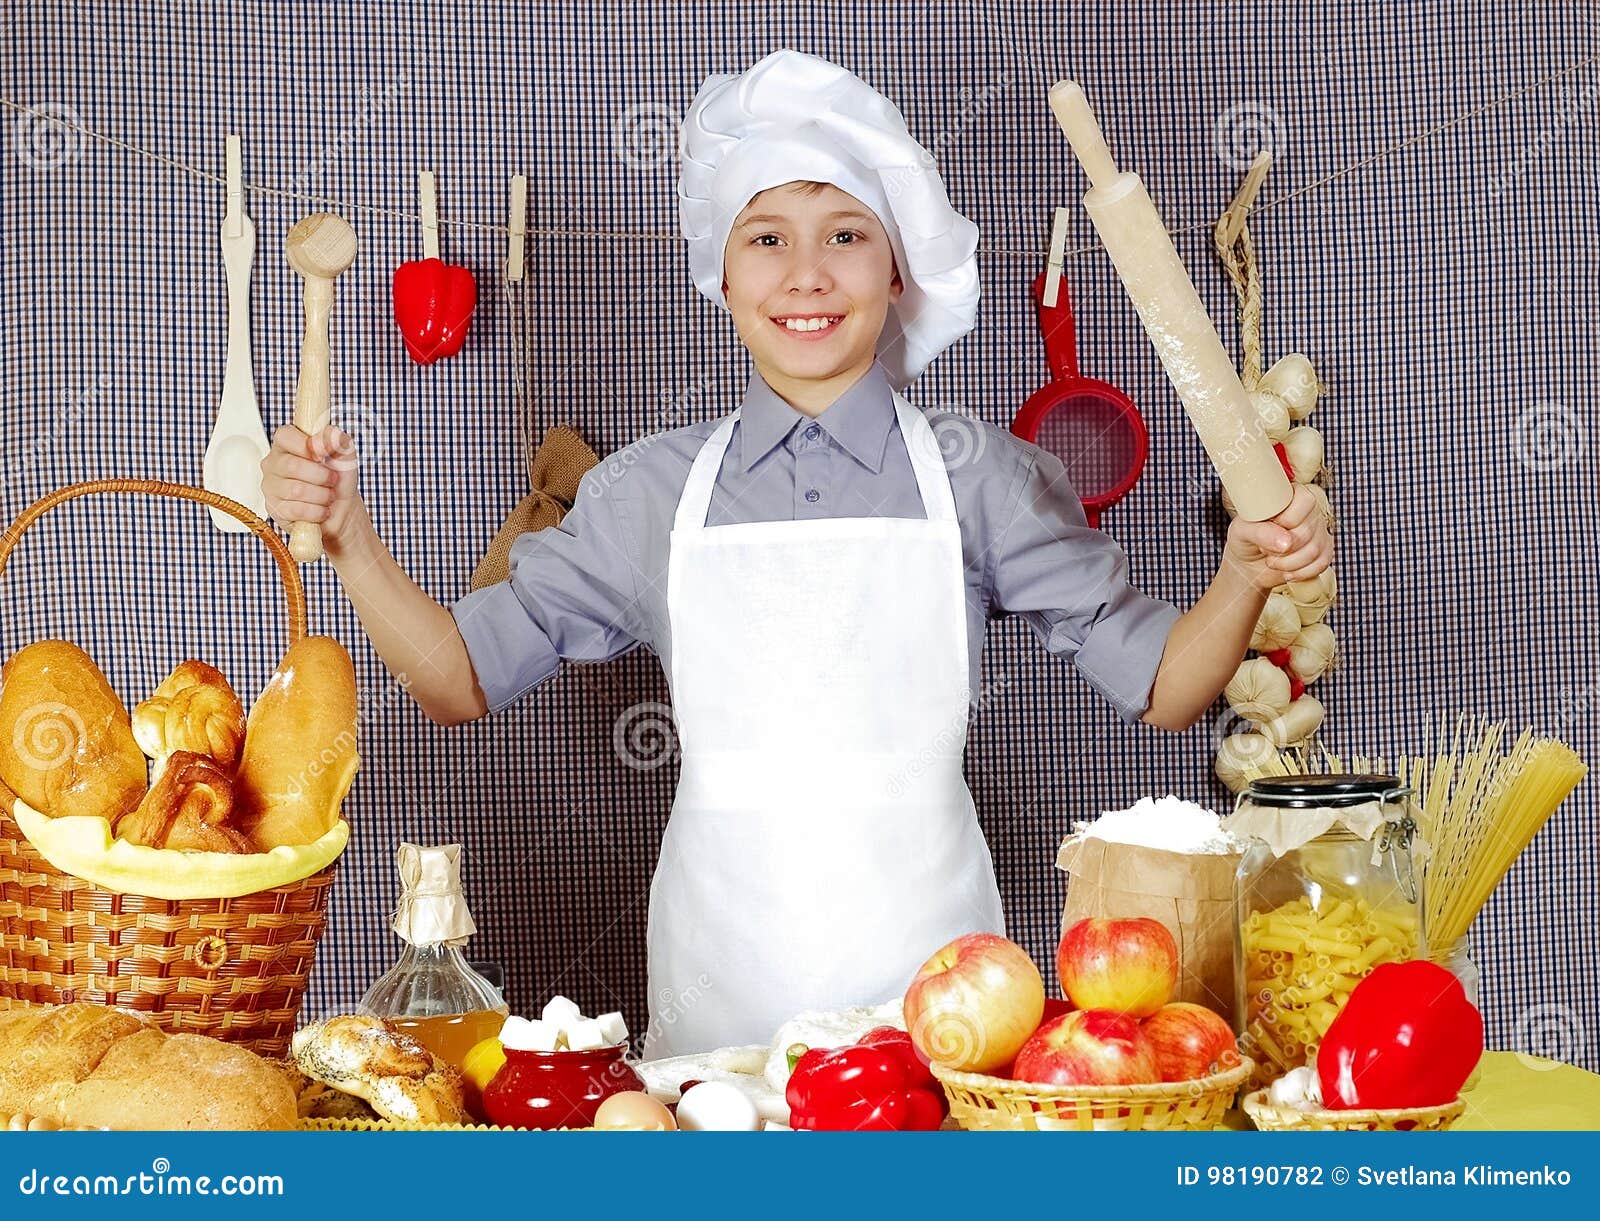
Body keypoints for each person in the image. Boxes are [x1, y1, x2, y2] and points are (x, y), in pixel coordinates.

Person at [262, 50, 1332, 1060]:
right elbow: (454, 678)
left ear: (898, 270)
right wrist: (351, 538)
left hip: (945, 992)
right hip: (720, 984)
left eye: (846, 235)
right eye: (766, 237)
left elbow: (1164, 688)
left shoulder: (976, 476)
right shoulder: (648, 491)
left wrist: (1244, 570)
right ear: (720, 275)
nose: (806, 275)